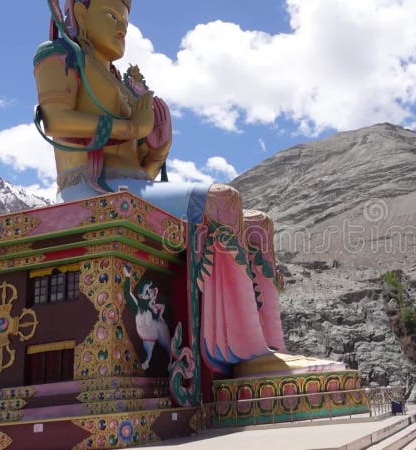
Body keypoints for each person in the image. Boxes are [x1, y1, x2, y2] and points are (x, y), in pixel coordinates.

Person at [33, 0, 286, 374]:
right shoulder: (60, 57)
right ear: (81, 13)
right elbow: (54, 120)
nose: (122, 27)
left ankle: (268, 345)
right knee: (223, 201)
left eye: (125, 19)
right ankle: (239, 355)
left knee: (258, 225)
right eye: (111, 15)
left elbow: (144, 170)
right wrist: (132, 128)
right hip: (89, 188)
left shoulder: (123, 83)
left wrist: (156, 149)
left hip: (133, 187)